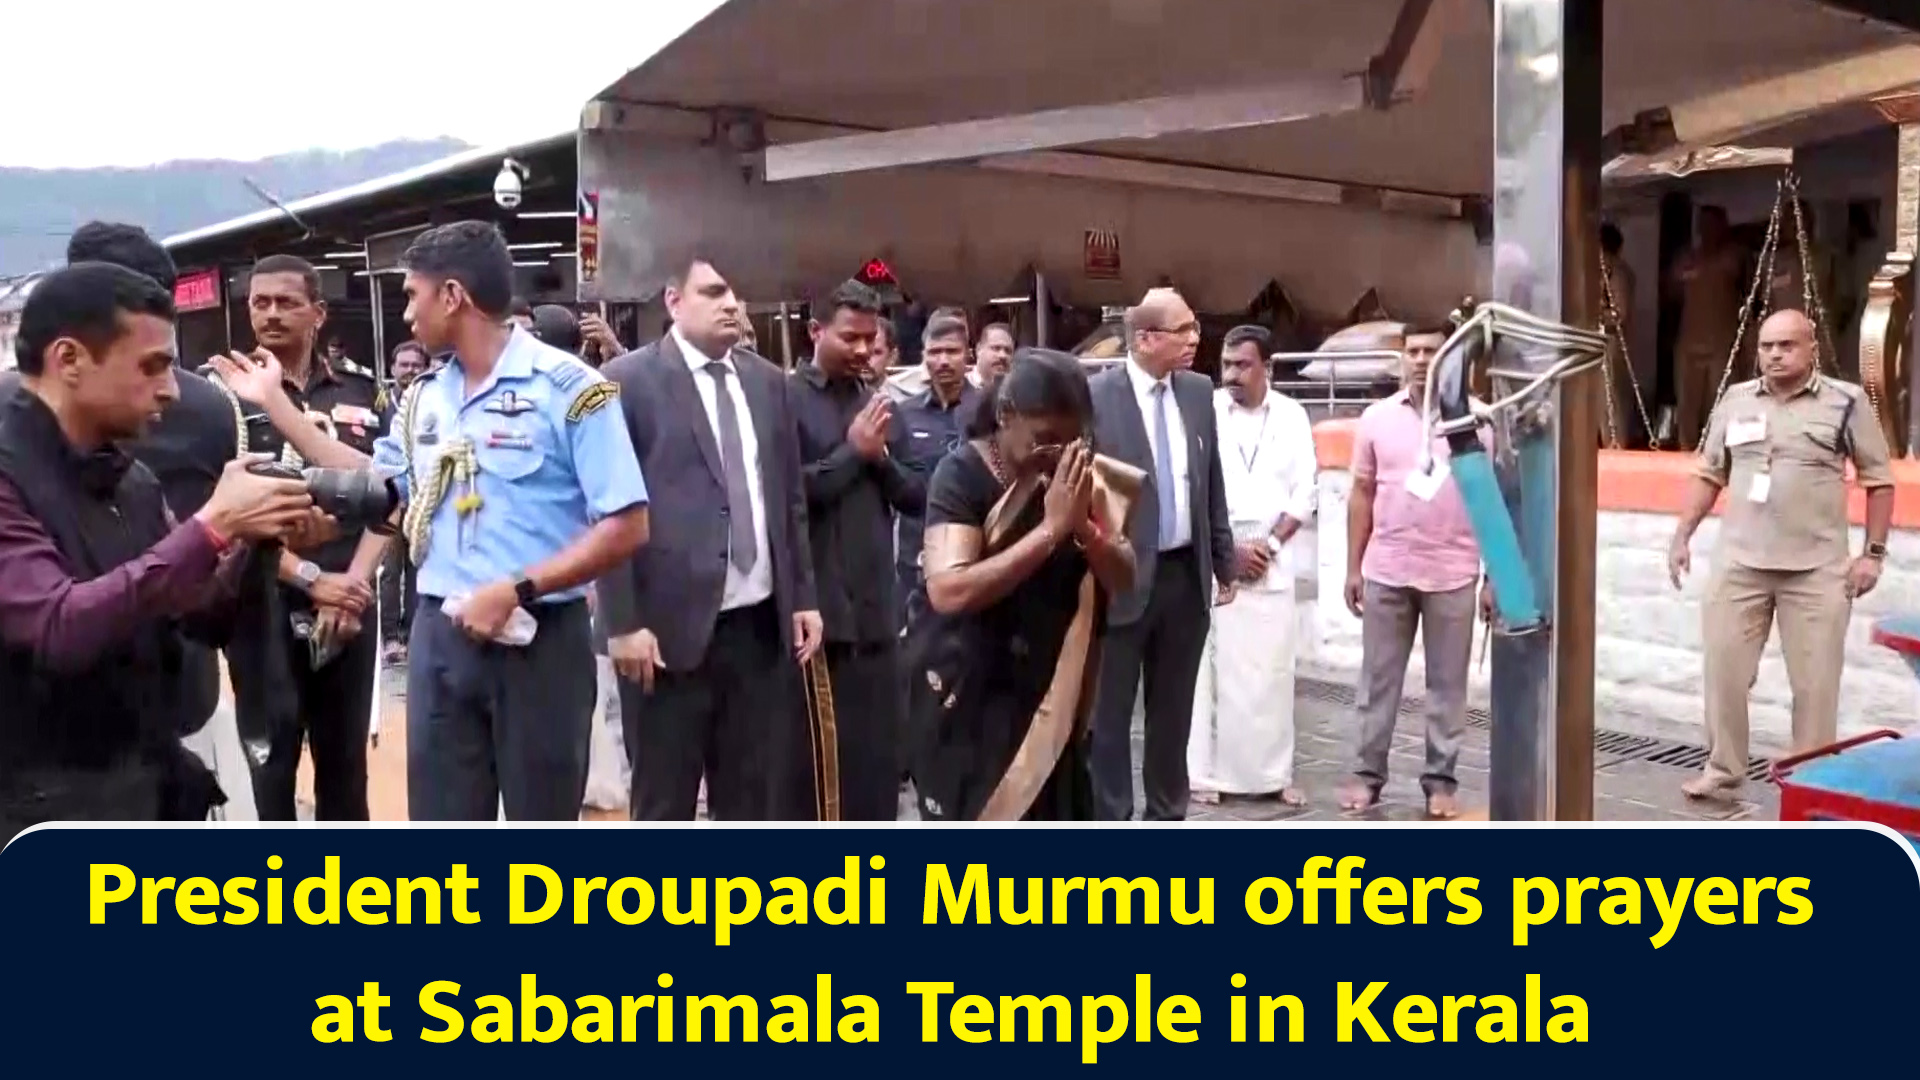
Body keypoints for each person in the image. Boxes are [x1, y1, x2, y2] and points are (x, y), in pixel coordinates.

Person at [0, 262, 319, 841]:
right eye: (151, 367)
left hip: (137, 788)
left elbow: (196, 614)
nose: (171, 389)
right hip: (33, 816)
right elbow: (55, 626)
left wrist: (255, 534)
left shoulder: (130, 477)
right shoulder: (7, 472)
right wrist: (212, 527)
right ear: (69, 360)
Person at [359, 221, 651, 820]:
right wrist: (284, 416)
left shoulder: (573, 390)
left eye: (413, 295)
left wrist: (518, 589)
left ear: (452, 296)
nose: (407, 314)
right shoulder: (425, 396)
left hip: (539, 641)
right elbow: (384, 485)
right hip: (440, 637)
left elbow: (627, 522)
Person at [596, 255, 823, 821]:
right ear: (673, 300)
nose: (732, 305)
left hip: (755, 627)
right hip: (665, 637)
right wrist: (621, 624)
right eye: (714, 291)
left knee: (749, 798)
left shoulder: (768, 382)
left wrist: (803, 597)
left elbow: (787, 499)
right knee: (664, 799)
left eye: (736, 292)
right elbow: (605, 510)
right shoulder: (628, 383)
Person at [1669, 308, 1894, 799]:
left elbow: (1879, 481)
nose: (1774, 354)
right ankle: (1723, 770)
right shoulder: (1736, 399)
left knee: (1814, 689)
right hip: (1740, 563)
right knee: (1723, 673)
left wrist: (1872, 554)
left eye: (1786, 345)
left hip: (1817, 570)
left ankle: (1810, 785)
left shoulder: (1845, 402)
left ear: (1812, 347)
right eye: (1767, 346)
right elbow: (1710, 473)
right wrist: (1683, 533)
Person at [909, 348, 1137, 820]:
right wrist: (1051, 530)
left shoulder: (1078, 472)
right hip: (975, 697)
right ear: (1006, 415)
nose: (1058, 451)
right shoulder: (962, 475)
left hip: (1056, 696)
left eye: (1073, 438)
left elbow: (1125, 576)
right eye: (1045, 438)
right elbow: (948, 591)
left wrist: (1085, 530)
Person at [195, 255, 384, 822]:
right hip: (263, 605)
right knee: (269, 766)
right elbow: (210, 514)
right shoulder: (218, 393)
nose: (271, 315)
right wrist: (310, 577)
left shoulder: (363, 389)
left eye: (287, 302)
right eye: (259, 303)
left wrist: (352, 583)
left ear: (319, 312)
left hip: (350, 606)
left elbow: (395, 496)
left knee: (346, 769)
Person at [1086, 288, 1236, 821]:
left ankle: (1168, 814)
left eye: (1195, 327)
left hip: (1183, 577)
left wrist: (1223, 558)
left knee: (1172, 715)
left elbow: (1209, 479)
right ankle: (1111, 817)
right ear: (1145, 339)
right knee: (1110, 714)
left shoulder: (1197, 392)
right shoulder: (1098, 395)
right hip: (1121, 577)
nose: (1196, 339)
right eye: (1183, 330)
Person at [1339, 324, 1493, 819]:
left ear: (1452, 357)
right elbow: (1361, 494)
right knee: (1377, 681)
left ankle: (1440, 781)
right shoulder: (1377, 419)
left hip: (1453, 572)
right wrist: (1353, 566)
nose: (1423, 359)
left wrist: (1493, 578)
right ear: (1402, 357)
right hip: (1388, 568)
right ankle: (1367, 776)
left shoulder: (1479, 422)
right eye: (1414, 351)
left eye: (1433, 351)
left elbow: (1492, 503)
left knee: (1447, 686)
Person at [790, 280, 924, 820]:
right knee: (820, 774)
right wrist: (853, 453)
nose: (865, 350)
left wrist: (879, 459)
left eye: (872, 339)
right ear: (816, 331)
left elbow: (917, 494)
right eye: (852, 338)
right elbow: (785, 494)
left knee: (878, 768)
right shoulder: (785, 400)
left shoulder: (880, 402)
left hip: (878, 616)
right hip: (819, 619)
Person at [1187, 325, 1316, 807]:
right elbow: (1193, 485)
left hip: (1272, 561)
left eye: (1243, 365)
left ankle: (1274, 774)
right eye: (1226, 365)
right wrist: (1229, 553)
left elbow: (1306, 491)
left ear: (1269, 367)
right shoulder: (1206, 411)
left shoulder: (1293, 415)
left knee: (1272, 677)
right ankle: (1206, 776)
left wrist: (1270, 547)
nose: (1232, 375)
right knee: (1213, 678)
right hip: (1219, 558)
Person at [891, 314, 981, 628]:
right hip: (915, 559)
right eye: (934, 352)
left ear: (968, 355)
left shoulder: (988, 410)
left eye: (951, 352)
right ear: (922, 356)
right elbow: (898, 485)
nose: (942, 361)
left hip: (974, 556)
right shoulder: (903, 415)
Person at [1671, 205, 1746, 451]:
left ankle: (1722, 456)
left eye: (1712, 224)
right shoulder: (1686, 257)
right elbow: (1670, 288)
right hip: (1689, 341)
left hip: (1721, 342)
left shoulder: (1734, 256)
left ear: (1723, 227)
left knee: (1723, 401)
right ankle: (1685, 452)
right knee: (1687, 405)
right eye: (1702, 224)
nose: (1706, 230)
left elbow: (1744, 286)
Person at [379, 341, 431, 664]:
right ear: (392, 369)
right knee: (389, 571)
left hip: (423, 500)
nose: (410, 370)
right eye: (404, 364)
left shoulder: (432, 401)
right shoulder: (379, 404)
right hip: (388, 504)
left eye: (416, 365)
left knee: (417, 570)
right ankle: (389, 638)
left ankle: (413, 635)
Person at [973, 322, 1015, 387]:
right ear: (978, 350)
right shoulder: (960, 387)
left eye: (1008, 351)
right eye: (996, 348)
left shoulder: (1016, 391)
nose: (1003, 356)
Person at [867, 316, 898, 388]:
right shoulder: (836, 395)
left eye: (876, 352)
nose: (866, 359)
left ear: (892, 357)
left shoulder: (902, 398)